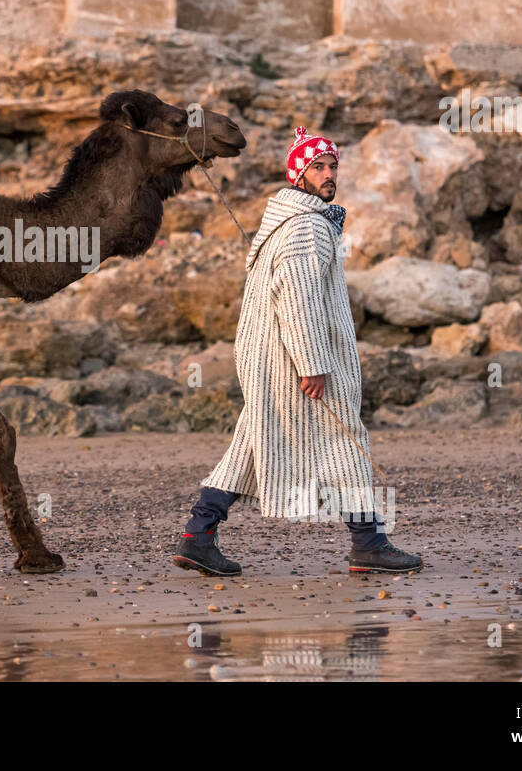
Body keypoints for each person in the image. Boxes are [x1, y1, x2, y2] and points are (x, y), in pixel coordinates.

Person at [172, 127, 423, 577]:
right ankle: (368, 543)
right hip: (292, 360)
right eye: (318, 168)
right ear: (298, 176)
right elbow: (298, 297)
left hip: (269, 358)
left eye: (332, 167)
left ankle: (198, 535)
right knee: (343, 439)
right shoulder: (307, 226)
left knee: (253, 443)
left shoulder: (295, 222)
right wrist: (313, 364)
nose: (329, 176)